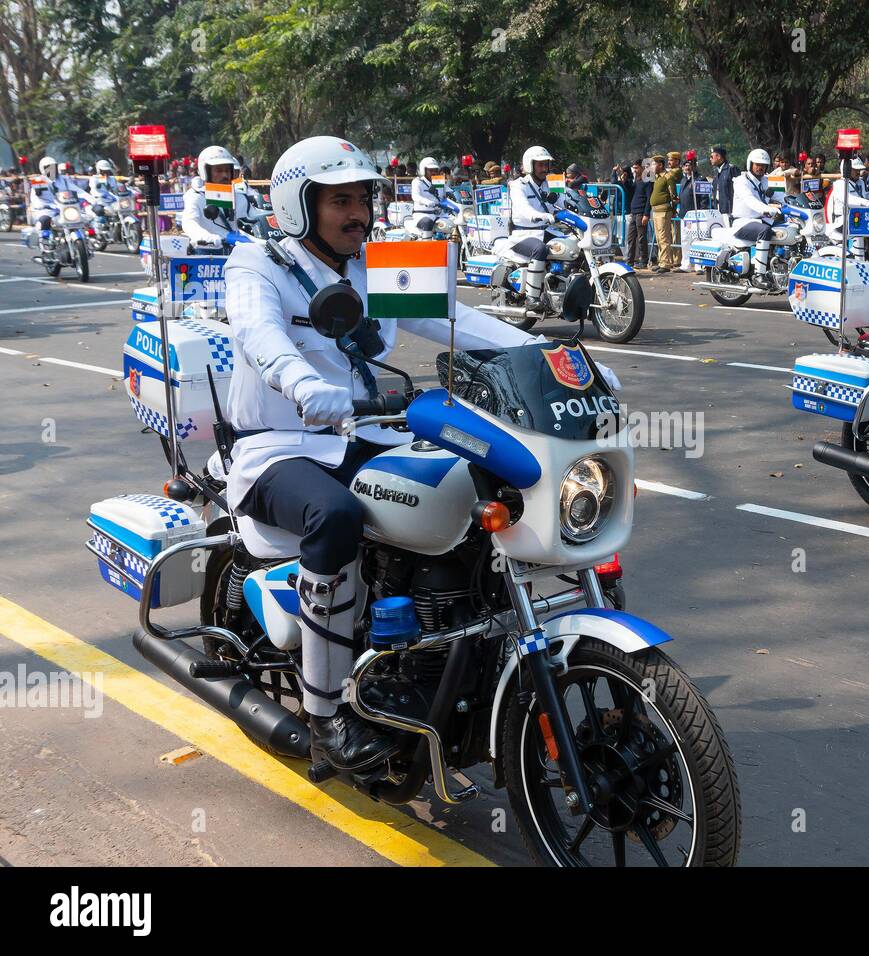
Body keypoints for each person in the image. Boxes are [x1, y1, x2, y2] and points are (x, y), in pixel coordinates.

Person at [222, 135, 618, 773]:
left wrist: (564, 363)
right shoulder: (256, 265)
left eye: (363, 198)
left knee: (473, 492)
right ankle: (326, 717)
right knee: (337, 519)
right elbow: (259, 335)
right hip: (280, 447)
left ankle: (432, 653)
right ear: (299, 205)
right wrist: (303, 386)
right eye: (340, 200)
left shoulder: (380, 264)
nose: (357, 213)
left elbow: (457, 320)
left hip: (365, 433)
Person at [506, 144, 563, 306]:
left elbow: (563, 203)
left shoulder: (551, 184)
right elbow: (524, 210)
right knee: (540, 249)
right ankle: (532, 298)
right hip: (523, 235)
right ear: (530, 165)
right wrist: (544, 216)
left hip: (547, 231)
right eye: (540, 164)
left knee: (573, 245)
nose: (544, 168)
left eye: (546, 164)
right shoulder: (518, 185)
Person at [719, 147, 784, 285]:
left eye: (763, 165)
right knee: (764, 231)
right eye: (758, 164)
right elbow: (750, 200)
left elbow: (782, 197)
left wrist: (794, 206)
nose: (760, 168)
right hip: (742, 222)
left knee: (789, 228)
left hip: (762, 220)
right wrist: (767, 209)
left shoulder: (767, 181)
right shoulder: (741, 181)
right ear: (750, 164)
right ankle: (758, 275)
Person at [180, 145, 251, 247]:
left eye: (227, 171)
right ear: (205, 172)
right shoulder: (196, 196)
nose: (225, 175)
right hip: (213, 253)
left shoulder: (240, 196)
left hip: (243, 251)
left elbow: (255, 217)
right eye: (219, 171)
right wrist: (209, 238)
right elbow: (189, 223)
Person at [28, 155, 94, 230]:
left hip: (64, 209)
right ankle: (44, 241)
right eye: (49, 167)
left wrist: (93, 200)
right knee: (44, 220)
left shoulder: (63, 179)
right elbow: (37, 199)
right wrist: (50, 205)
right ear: (43, 169)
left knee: (87, 218)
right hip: (46, 210)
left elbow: (78, 191)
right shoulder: (38, 181)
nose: (53, 169)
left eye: (54, 167)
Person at [649, 152, 683, 272]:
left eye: (654, 164)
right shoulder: (658, 178)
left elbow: (673, 195)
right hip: (656, 211)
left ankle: (666, 264)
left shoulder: (668, 177)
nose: (652, 167)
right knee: (659, 238)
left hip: (664, 211)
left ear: (660, 165)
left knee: (664, 238)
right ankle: (662, 261)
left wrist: (673, 209)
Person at [627, 160, 652, 269]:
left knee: (641, 238)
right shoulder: (636, 180)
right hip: (634, 212)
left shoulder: (647, 180)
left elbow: (649, 198)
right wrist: (624, 181)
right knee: (631, 238)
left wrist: (646, 214)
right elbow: (631, 191)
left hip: (641, 212)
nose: (635, 170)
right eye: (634, 168)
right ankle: (630, 260)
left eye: (636, 168)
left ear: (642, 168)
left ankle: (644, 260)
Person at [710, 146, 739, 216]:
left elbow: (739, 190)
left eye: (712, 156)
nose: (710, 159)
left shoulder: (731, 169)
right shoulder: (717, 172)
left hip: (730, 211)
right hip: (718, 211)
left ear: (718, 157)